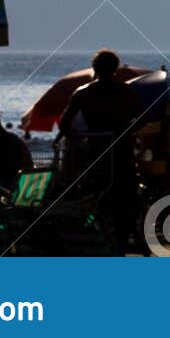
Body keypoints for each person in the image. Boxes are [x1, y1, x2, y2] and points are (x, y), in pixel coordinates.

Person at [57, 49, 139, 255]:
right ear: (116, 69)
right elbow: (140, 118)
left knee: (91, 197)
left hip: (94, 154)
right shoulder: (126, 91)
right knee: (125, 199)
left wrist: (82, 137)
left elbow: (65, 124)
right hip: (121, 152)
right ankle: (121, 239)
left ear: (94, 69)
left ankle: (96, 237)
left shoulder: (83, 93)